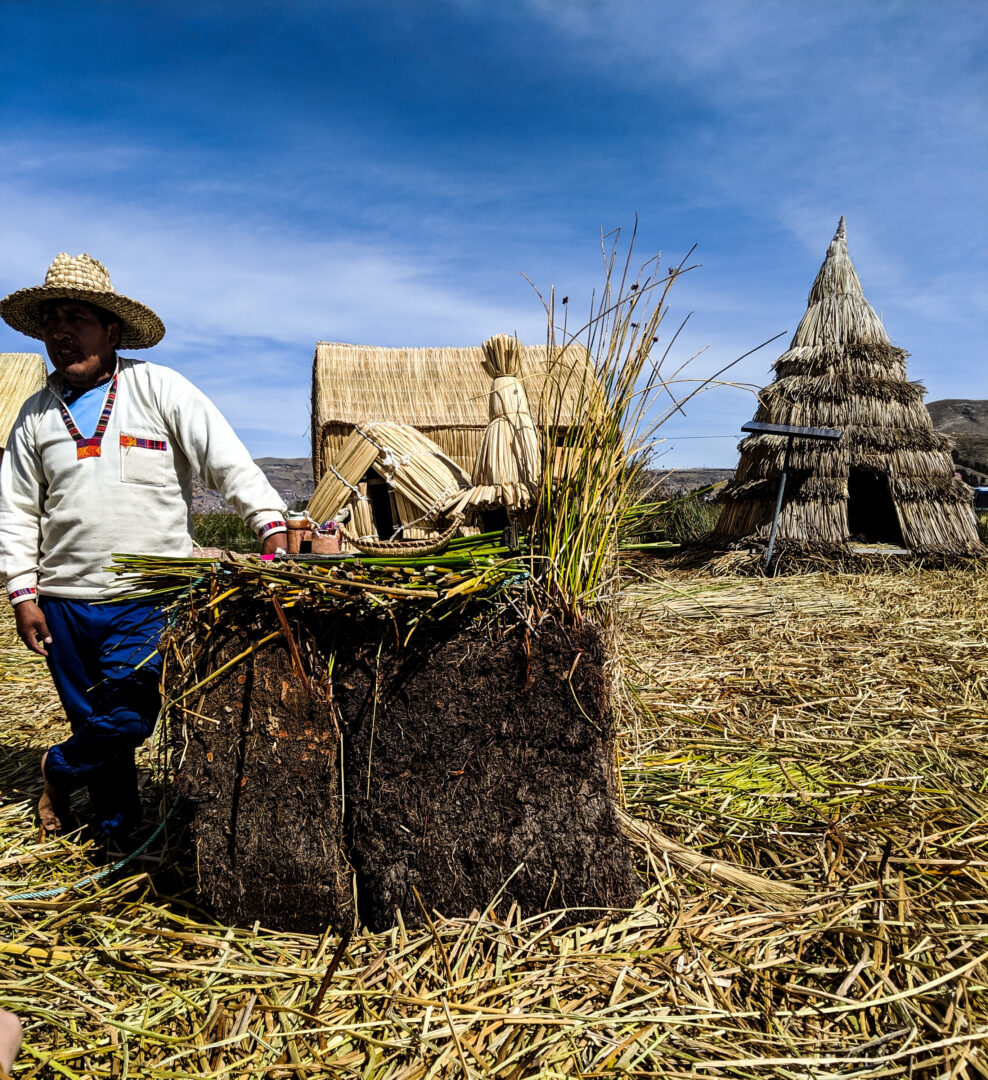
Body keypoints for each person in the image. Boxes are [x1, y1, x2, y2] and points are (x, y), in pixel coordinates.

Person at [0, 252, 288, 844]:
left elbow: (225, 459)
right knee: (93, 722)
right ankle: (116, 835)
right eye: (52, 318)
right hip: (64, 601)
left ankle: (58, 770)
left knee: (130, 715)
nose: (61, 330)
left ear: (111, 329)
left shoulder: (159, 389)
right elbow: (17, 510)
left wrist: (268, 522)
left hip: (150, 595)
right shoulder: (33, 417)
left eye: (76, 317)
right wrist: (21, 593)